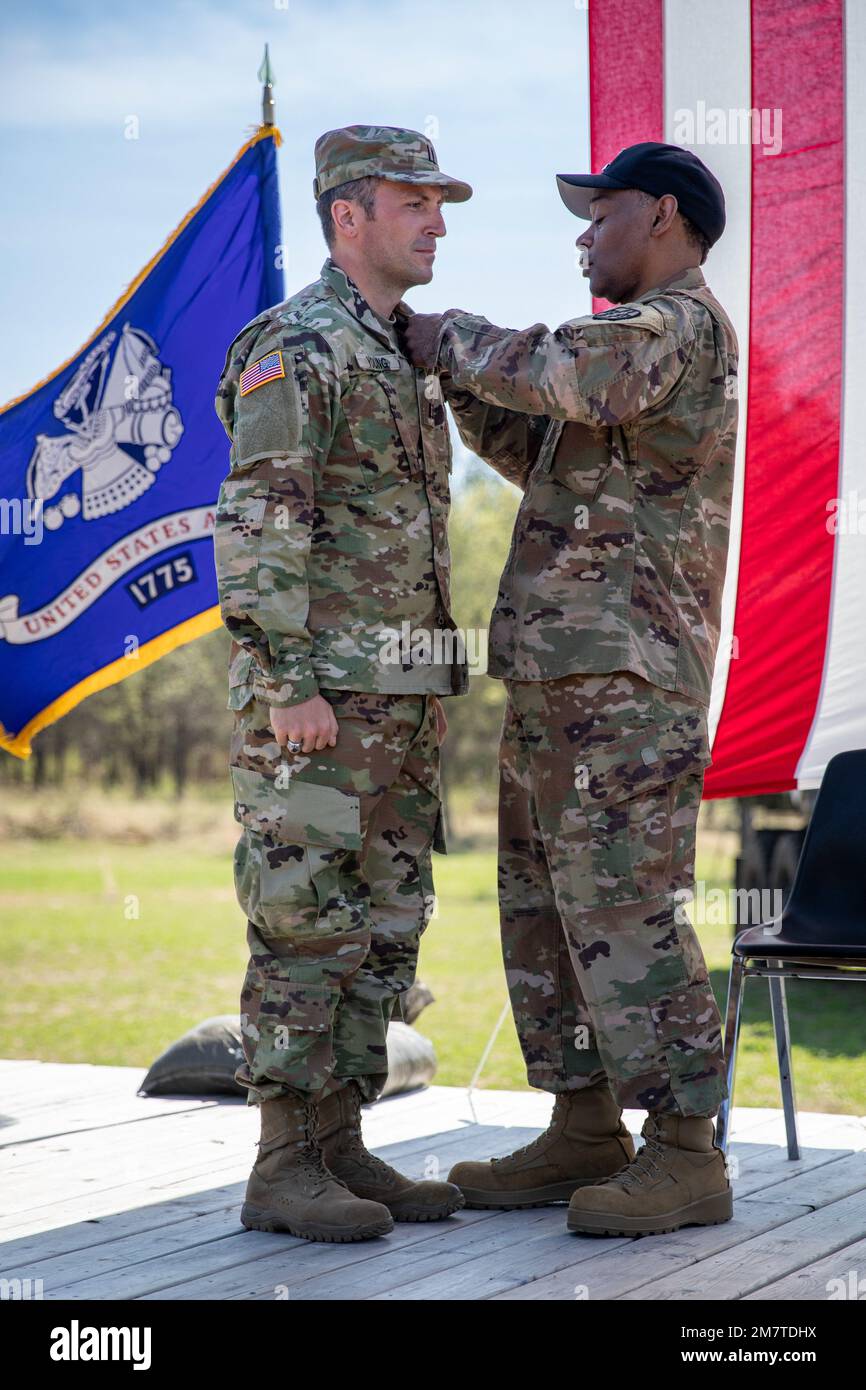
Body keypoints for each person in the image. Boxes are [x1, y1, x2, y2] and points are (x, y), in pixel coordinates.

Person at [403, 141, 739, 1237]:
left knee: (627, 906)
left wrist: (446, 335)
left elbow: (573, 376)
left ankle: (684, 1151)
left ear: (660, 214)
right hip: (563, 673)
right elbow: (535, 436)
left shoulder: (673, 328)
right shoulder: (625, 352)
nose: (582, 236)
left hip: (626, 682)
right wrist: (455, 377)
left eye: (598, 216)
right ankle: (584, 1127)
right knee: (547, 909)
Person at [213, 124, 472, 1243]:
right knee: (304, 924)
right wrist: (285, 680)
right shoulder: (298, 346)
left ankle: (341, 1144)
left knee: (382, 927)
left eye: (438, 202)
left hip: (399, 705)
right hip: (318, 703)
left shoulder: (398, 355)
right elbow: (262, 519)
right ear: (347, 216)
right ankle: (281, 1162)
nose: (437, 222)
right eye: (413, 202)